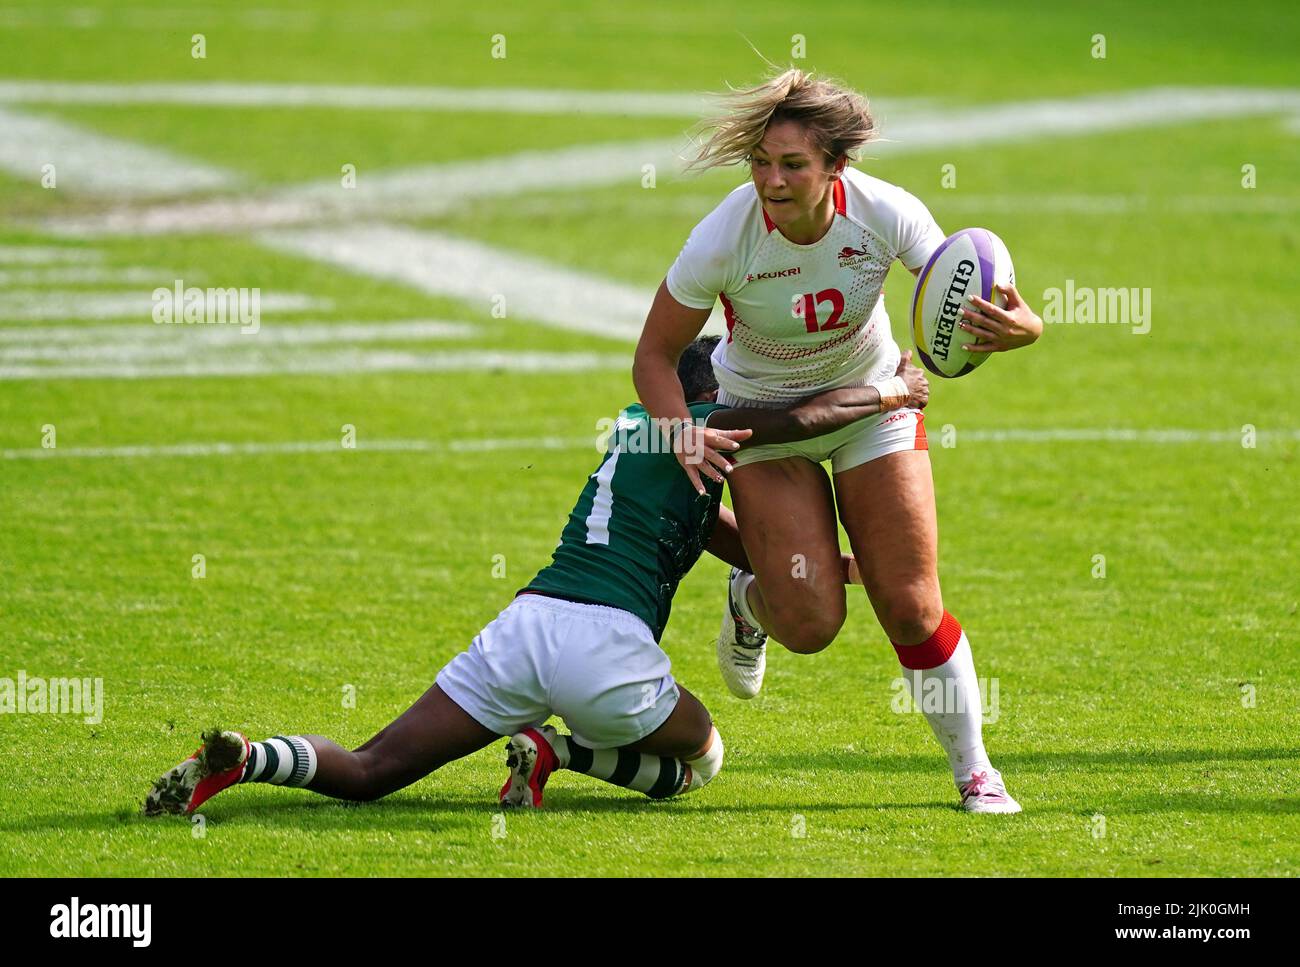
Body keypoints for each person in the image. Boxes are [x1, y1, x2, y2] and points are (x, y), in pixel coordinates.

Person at [144, 337, 928, 817]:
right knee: (704, 759)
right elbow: (801, 418)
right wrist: (891, 388)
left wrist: (830, 571)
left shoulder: (645, 430)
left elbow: (712, 534)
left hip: (525, 626)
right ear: (706, 391)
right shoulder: (704, 423)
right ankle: (570, 753)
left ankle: (248, 759)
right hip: (608, 651)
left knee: (372, 767)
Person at [632, 68, 1044, 813]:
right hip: (765, 420)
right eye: (762, 162)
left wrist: (1023, 328)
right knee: (813, 623)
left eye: (792, 164)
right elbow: (653, 357)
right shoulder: (725, 236)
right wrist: (681, 430)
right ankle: (753, 601)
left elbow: (965, 304)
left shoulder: (886, 213)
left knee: (912, 604)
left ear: (835, 168)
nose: (772, 179)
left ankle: (976, 771)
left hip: (873, 403)